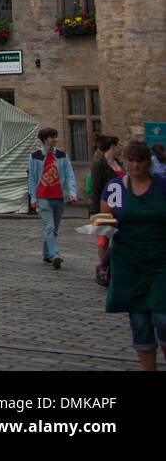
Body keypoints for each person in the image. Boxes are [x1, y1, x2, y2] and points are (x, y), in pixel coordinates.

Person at [99, 139, 166, 371]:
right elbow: (104, 221)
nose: (135, 166)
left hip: (160, 260)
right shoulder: (115, 188)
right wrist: (103, 257)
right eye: (131, 161)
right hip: (128, 263)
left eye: (140, 161)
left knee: (163, 318)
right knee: (139, 322)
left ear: (148, 162)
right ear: (125, 161)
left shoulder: (163, 185)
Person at [27, 127, 78, 270]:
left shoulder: (62, 155)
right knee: (49, 227)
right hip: (43, 196)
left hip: (59, 196)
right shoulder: (36, 156)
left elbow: (69, 174)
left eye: (55, 136)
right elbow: (32, 178)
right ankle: (55, 255)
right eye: (52, 137)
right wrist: (33, 196)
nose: (55, 139)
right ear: (45, 140)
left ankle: (46, 255)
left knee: (54, 229)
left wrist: (72, 191)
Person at [89, 135, 122, 272]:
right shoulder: (99, 165)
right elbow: (96, 190)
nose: (120, 148)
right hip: (105, 207)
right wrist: (95, 212)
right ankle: (105, 268)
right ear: (112, 147)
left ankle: (114, 267)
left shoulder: (119, 164)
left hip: (120, 207)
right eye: (118, 146)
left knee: (118, 239)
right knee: (104, 240)